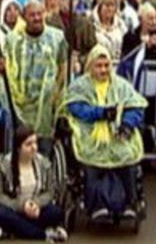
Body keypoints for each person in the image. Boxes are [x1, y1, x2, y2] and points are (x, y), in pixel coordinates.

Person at [62, 45, 147, 223]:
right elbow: (75, 107)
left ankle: (129, 203)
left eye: (106, 65)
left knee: (127, 157)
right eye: (99, 66)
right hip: (89, 135)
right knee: (91, 160)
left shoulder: (121, 85)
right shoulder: (80, 86)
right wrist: (101, 113)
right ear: (90, 66)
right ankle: (96, 205)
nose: (103, 70)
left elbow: (136, 106)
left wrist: (127, 125)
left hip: (117, 135)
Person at [0, 0, 69, 154]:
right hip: (21, 105)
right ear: (24, 17)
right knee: (20, 149)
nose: (37, 18)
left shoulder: (58, 37)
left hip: (46, 105)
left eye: (39, 14)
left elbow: (63, 67)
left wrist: (56, 95)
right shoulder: (12, 39)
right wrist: (1, 68)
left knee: (43, 150)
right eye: (32, 15)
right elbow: (6, 66)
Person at [0, 125, 67, 242]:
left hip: (35, 210)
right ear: (19, 148)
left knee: (57, 212)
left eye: (35, 143)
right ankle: (43, 234)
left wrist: (37, 203)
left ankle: (12, 230)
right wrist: (21, 206)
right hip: (12, 209)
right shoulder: (4, 164)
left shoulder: (44, 163)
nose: (34, 147)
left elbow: (50, 192)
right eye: (28, 144)